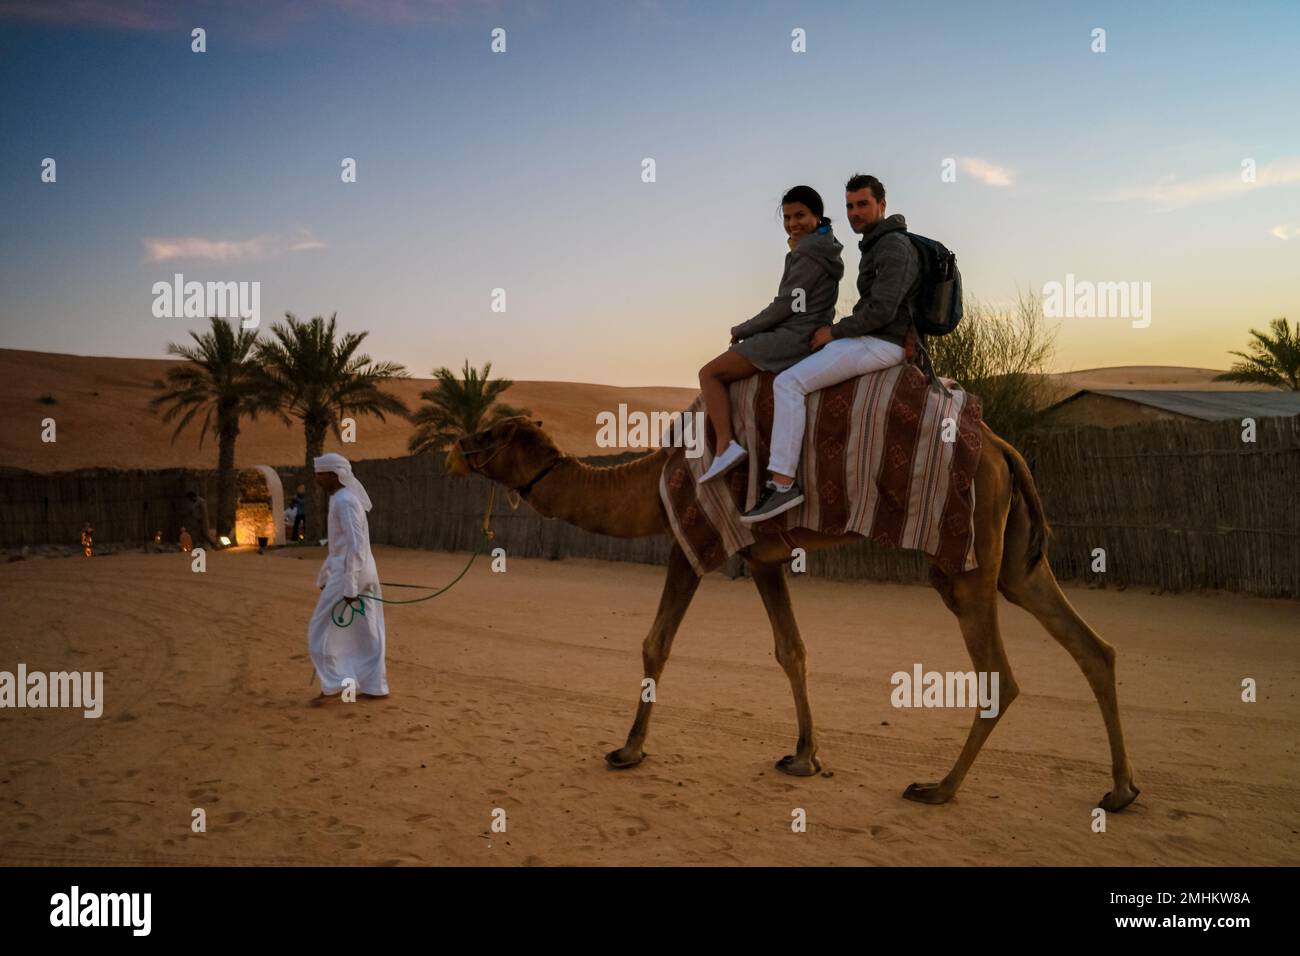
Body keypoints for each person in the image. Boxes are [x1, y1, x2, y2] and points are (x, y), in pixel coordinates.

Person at [740, 173, 917, 523]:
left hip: (884, 343)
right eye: (850, 206)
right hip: (877, 337)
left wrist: (833, 333)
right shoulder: (877, 243)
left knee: (788, 383)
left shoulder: (893, 247)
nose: (855, 213)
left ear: (882, 205)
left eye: (863, 204)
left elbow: (881, 310)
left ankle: (782, 483)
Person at [696, 185, 845, 484]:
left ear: (817, 215)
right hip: (806, 327)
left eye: (800, 215)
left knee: (709, 373)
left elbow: (787, 304)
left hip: (794, 336)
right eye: (788, 218)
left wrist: (744, 329)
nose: (793, 224)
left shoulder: (807, 252)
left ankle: (725, 446)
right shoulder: (825, 245)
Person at [308, 453, 389, 702]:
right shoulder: (340, 499)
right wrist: (325, 575)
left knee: (320, 629)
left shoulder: (345, 501)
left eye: (320, 474)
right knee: (368, 630)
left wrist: (350, 587)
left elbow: (355, 546)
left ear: (334, 475)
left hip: (351, 574)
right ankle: (375, 686)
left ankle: (334, 684)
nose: (317, 479)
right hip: (355, 572)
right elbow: (339, 547)